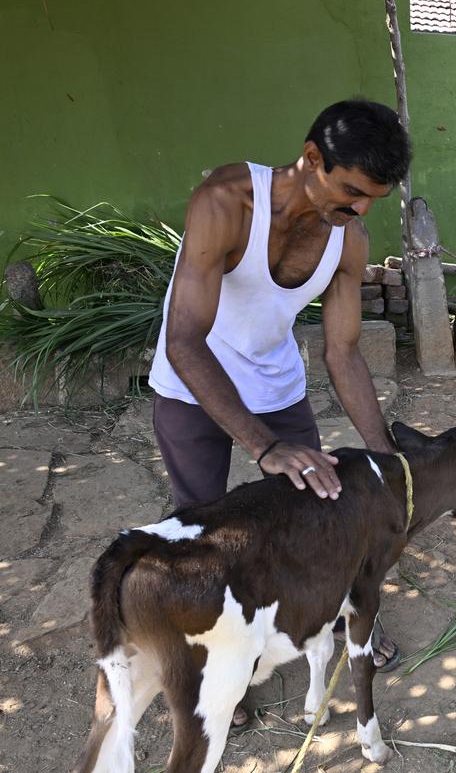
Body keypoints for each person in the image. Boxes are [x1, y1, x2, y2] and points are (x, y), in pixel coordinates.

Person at [148, 98, 411, 728]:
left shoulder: (348, 235)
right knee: (201, 527)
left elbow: (343, 353)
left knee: (317, 514)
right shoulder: (225, 202)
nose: (357, 211)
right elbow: (185, 339)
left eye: (371, 201)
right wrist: (264, 446)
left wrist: (385, 461)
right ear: (313, 159)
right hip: (191, 383)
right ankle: (210, 673)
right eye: (349, 192)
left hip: (275, 385)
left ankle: (347, 626)